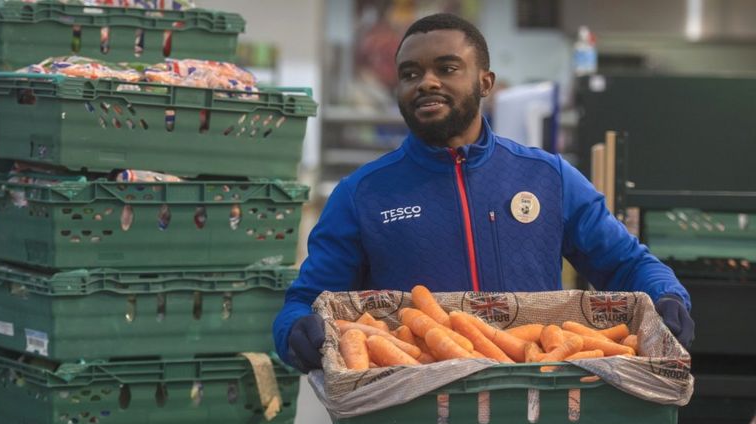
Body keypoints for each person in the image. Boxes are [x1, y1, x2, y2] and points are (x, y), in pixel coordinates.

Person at [273, 13, 694, 372]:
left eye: (447, 67)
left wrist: (668, 296)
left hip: (534, 397)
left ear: (485, 82)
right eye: (410, 74)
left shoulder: (548, 178)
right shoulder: (361, 195)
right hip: (412, 407)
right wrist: (296, 332)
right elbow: (308, 299)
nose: (426, 82)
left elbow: (626, 263)